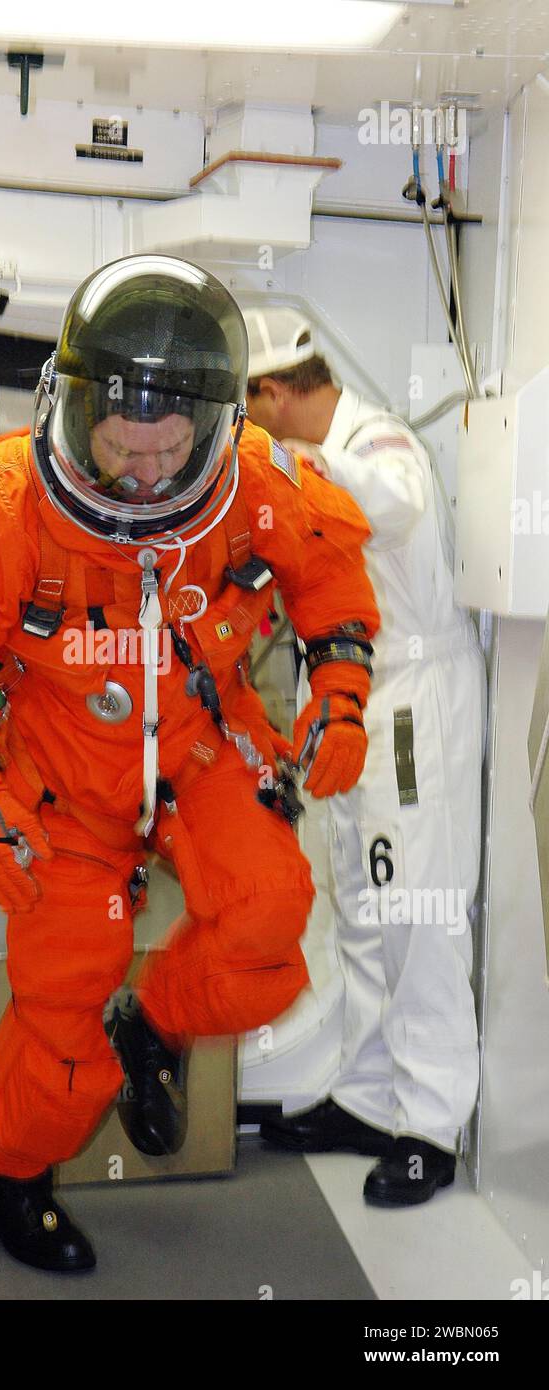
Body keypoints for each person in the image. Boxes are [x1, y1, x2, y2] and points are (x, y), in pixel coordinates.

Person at [0, 257, 379, 1273]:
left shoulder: (256, 485)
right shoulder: (4, 505)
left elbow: (329, 572)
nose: (144, 478)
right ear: (72, 409)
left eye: (167, 457)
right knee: (60, 1027)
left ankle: (151, 1026)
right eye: (120, 450)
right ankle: (12, 1179)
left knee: (268, 923)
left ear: (209, 433)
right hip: (67, 777)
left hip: (201, 744)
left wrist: (340, 688)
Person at [242, 304, 485, 1206]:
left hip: (413, 709)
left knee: (418, 912)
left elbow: (395, 500)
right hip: (351, 703)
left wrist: (288, 462)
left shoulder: (378, 440)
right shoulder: (314, 457)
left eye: (250, 407)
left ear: (272, 392)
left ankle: (428, 1125)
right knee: (363, 898)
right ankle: (370, 1097)